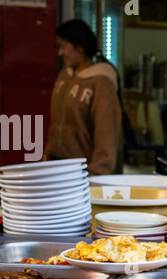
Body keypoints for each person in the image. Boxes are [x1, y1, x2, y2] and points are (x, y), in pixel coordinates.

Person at [46, 19, 122, 175]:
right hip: (56, 167)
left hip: (82, 172)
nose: (60, 53)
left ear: (80, 47)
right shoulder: (64, 76)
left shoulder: (101, 81)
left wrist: (98, 172)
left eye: (63, 46)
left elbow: (106, 130)